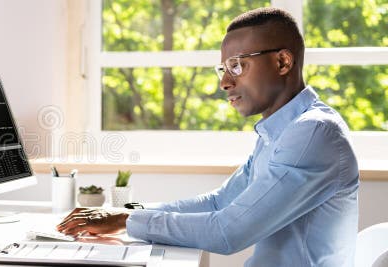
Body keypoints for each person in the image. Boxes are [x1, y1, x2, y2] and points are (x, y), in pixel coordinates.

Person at [57, 7, 359, 267]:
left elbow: (228, 231)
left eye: (237, 65)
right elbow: (218, 202)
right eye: (223, 69)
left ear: (282, 62)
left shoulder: (313, 133)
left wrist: (125, 221)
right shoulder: (279, 131)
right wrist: (126, 212)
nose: (225, 82)